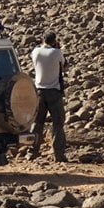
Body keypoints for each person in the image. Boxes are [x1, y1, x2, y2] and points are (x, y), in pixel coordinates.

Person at [29, 32, 67, 162]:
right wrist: (58, 48)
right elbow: (64, 64)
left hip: (39, 91)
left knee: (37, 122)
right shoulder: (56, 52)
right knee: (58, 123)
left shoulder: (36, 52)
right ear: (54, 41)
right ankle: (59, 154)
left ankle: (32, 152)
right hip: (54, 92)